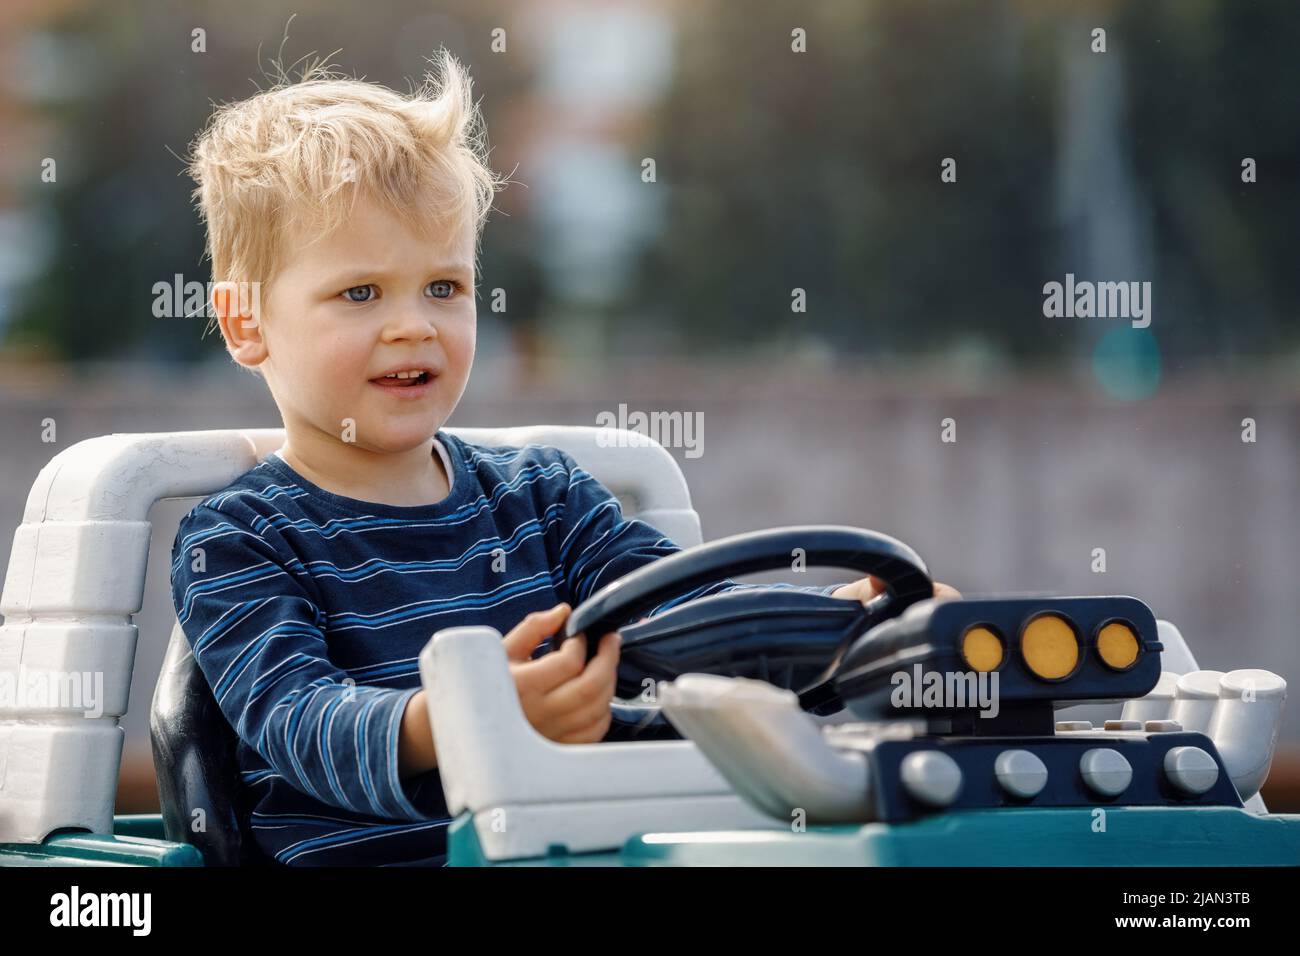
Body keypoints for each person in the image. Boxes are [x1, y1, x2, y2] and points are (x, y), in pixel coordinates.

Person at [171, 50, 958, 866]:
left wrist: (853, 631)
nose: (415, 326)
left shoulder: (545, 500)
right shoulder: (236, 540)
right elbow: (300, 719)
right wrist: (466, 717)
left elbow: (699, 641)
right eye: (361, 293)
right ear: (245, 324)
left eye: (444, 287)